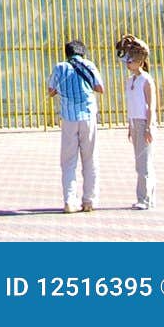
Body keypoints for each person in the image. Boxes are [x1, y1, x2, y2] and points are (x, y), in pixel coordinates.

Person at [48, 38, 105, 213]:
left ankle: (69, 201)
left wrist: (62, 90)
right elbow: (100, 87)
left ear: (67, 53)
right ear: (83, 52)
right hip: (88, 116)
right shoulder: (89, 65)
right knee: (90, 159)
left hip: (69, 118)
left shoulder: (60, 67)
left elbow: (50, 91)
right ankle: (89, 200)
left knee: (68, 162)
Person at [123, 40, 157, 209]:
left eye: (132, 60)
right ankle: (146, 196)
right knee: (139, 161)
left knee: (144, 162)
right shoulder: (130, 81)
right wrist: (130, 125)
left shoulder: (146, 80)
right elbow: (131, 104)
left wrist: (148, 126)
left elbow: (150, 105)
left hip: (144, 121)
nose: (129, 63)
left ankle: (145, 198)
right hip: (134, 121)